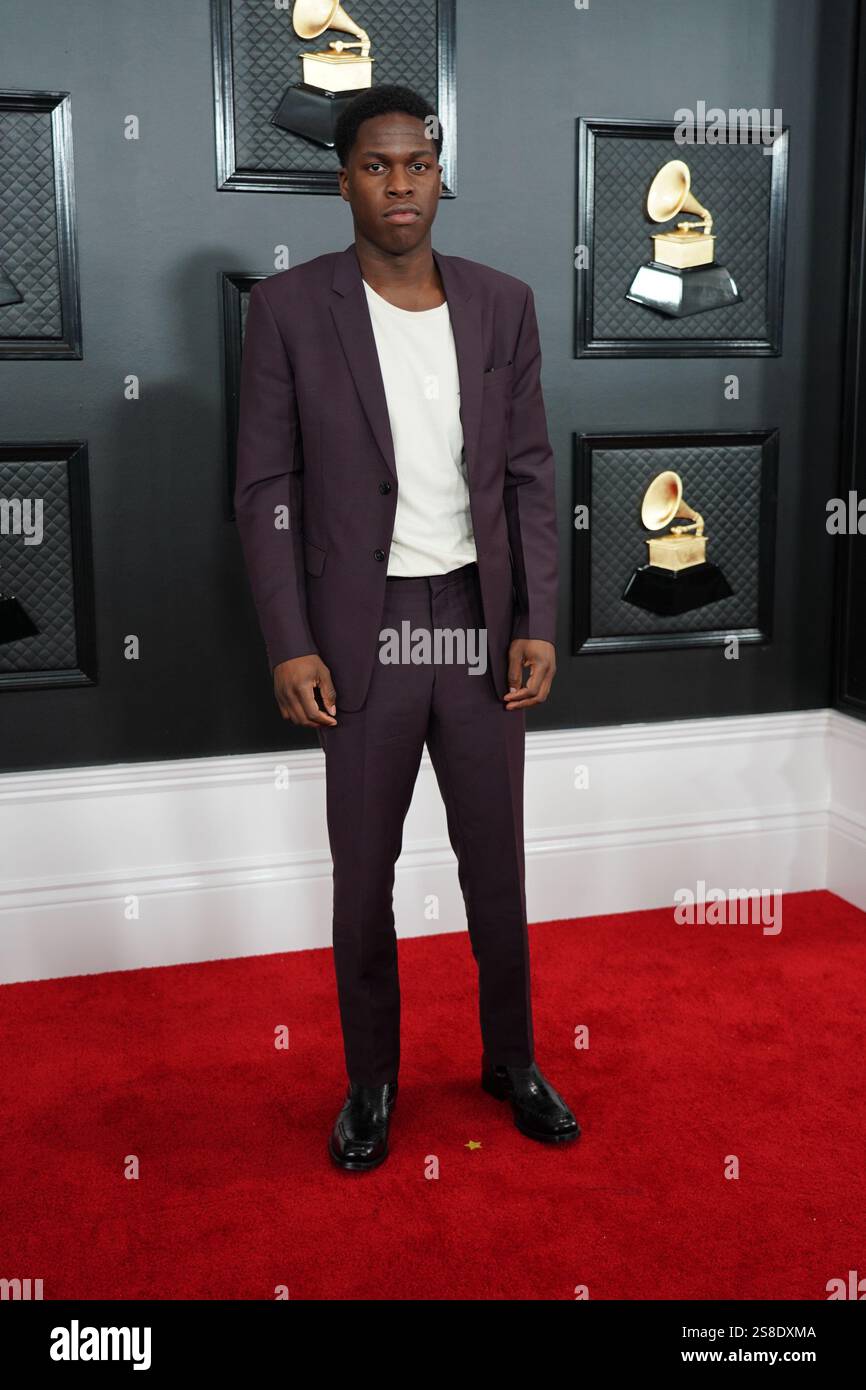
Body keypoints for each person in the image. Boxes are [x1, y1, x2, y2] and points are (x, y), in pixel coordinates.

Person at [234, 84, 579, 1171]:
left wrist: (535, 617)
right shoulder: (289, 310)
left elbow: (528, 472)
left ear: (438, 174)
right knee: (362, 873)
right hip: (361, 632)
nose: (399, 184)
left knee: (498, 867)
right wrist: (291, 641)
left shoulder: (502, 303)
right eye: (376, 166)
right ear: (341, 179)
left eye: (415, 165)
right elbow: (265, 487)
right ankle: (371, 1083)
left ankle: (511, 1059)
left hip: (476, 621)